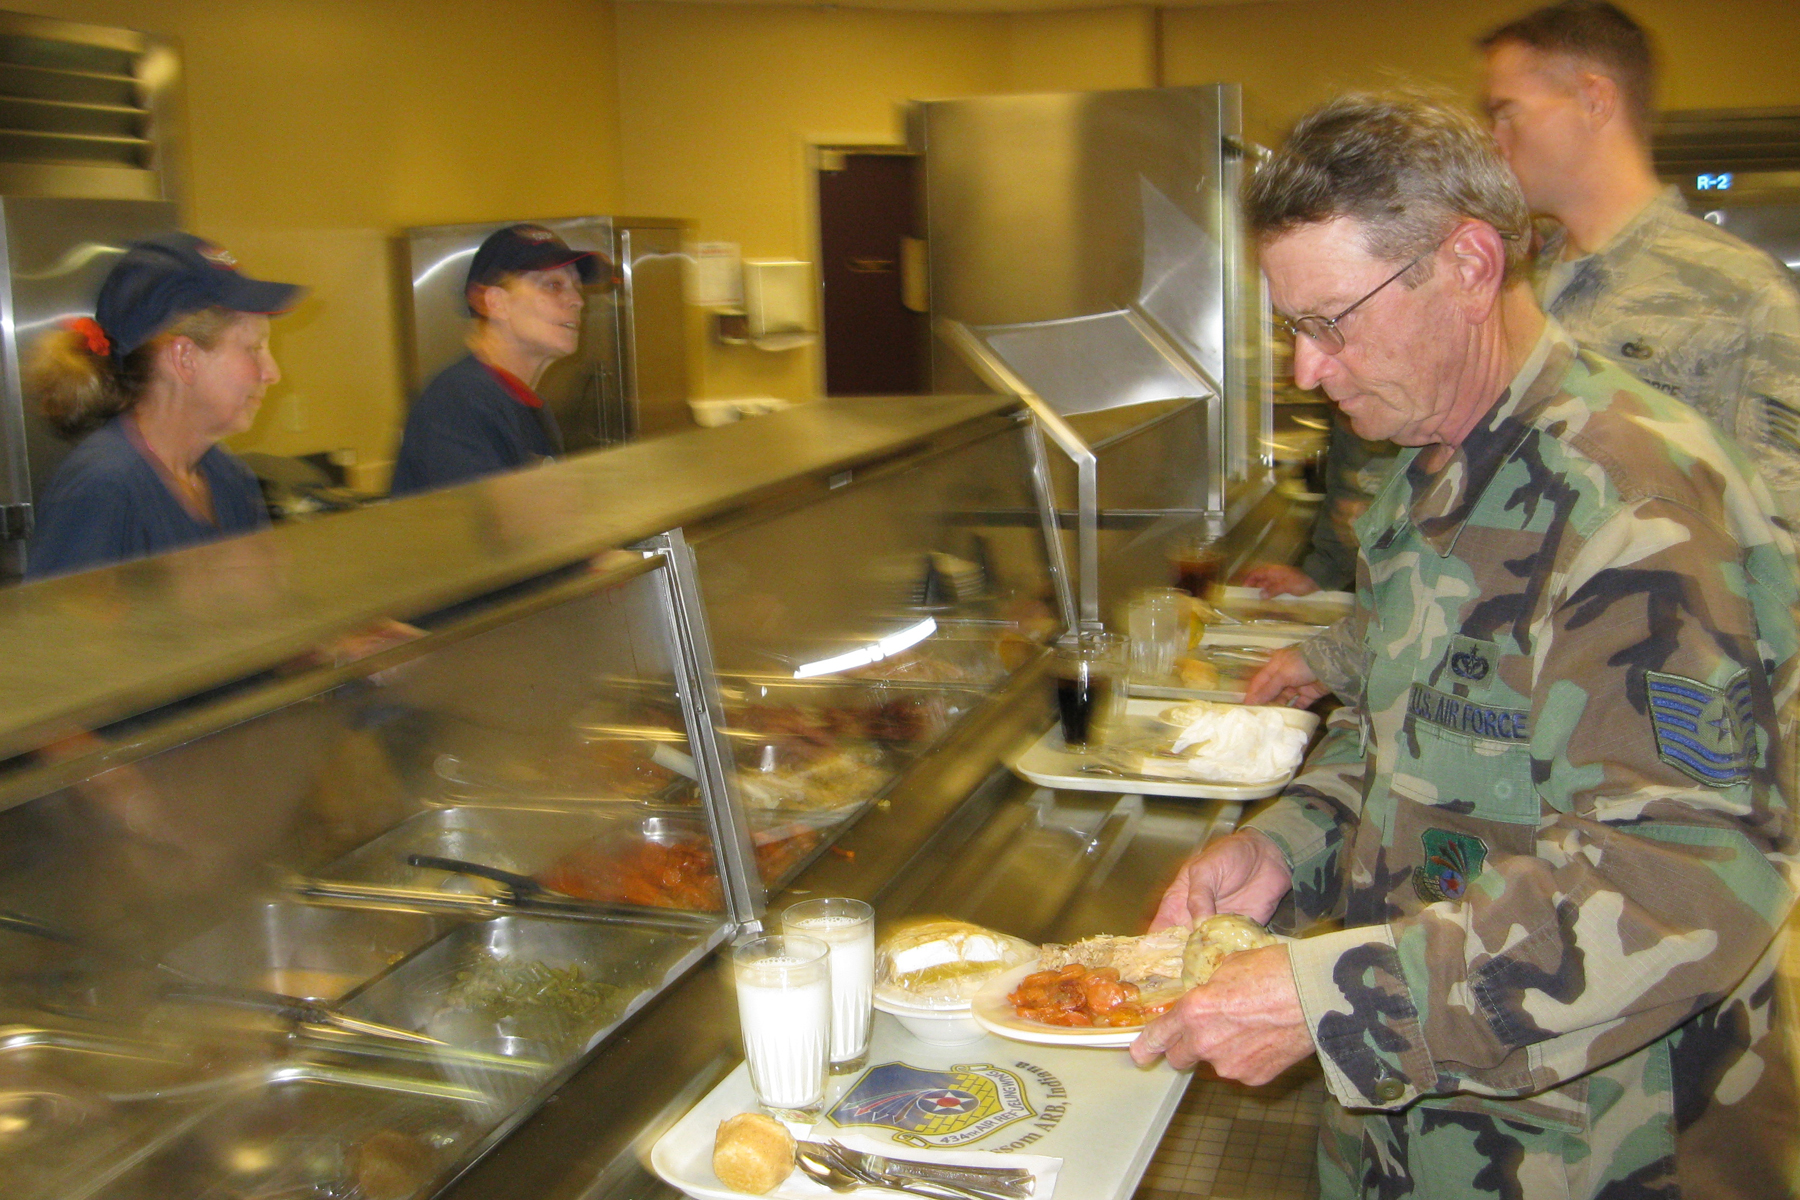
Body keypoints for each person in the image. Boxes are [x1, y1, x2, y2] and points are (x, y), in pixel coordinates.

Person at [1131, 92, 1800, 1199]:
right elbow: (1397, 739)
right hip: (1412, 1130)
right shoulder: (1436, 469)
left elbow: (1689, 885)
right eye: (1293, 327)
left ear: (1471, 265)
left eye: (1331, 321)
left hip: (1603, 1145)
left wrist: (1340, 1003)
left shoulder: (1635, 508)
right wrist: (1287, 848)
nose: (1308, 370)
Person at [1481, 0, 1800, 519]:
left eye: (1507, 112)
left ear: (1593, 99)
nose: (1495, 141)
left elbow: (1785, 539)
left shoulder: (1742, 295)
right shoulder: (1510, 285)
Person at [25, 233, 302, 579]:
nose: (272, 373)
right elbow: (64, 632)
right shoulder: (102, 491)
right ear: (184, 358)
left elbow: (262, 616)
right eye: (253, 348)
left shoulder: (230, 480)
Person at [389, 224, 600, 497]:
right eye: (554, 285)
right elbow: (483, 532)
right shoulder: (457, 405)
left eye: (576, 287)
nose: (577, 301)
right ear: (496, 303)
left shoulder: (530, 407)